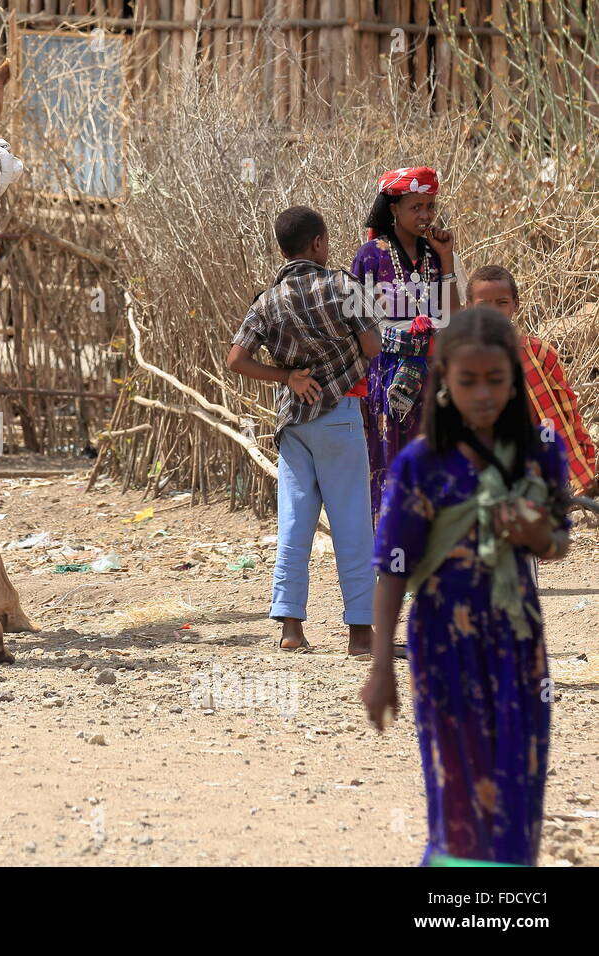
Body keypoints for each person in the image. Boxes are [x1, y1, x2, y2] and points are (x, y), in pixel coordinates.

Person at [361, 306, 570, 866]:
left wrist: (535, 532)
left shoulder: (541, 449)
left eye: (496, 381)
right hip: (442, 646)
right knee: (456, 779)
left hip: (518, 640)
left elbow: (558, 543)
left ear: (514, 380)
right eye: (468, 381)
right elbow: (393, 568)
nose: (483, 394)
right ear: (445, 381)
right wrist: (382, 665)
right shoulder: (420, 464)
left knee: (520, 775)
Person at [227, 206, 381, 655]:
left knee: (294, 526)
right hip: (341, 415)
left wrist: (288, 377)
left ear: (282, 249)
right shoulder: (342, 286)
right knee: (352, 524)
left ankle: (291, 630)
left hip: (294, 422)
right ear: (318, 244)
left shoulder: (267, 300)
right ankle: (360, 634)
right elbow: (372, 344)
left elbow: (236, 359)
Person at [351, 167, 461, 520]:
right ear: (394, 208)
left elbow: (453, 317)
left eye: (430, 206)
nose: (426, 215)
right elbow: (355, 322)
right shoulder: (370, 255)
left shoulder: (438, 253)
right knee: (390, 463)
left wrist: (445, 259)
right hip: (386, 379)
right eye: (416, 207)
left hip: (434, 378)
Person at [467, 264, 597, 497]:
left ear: (516, 305)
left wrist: (585, 469)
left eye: (502, 303)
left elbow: (569, 413)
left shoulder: (539, 354)